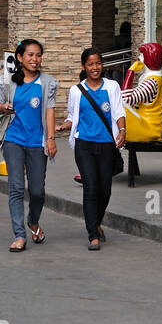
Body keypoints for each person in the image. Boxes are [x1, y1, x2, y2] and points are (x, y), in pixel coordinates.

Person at [56, 48, 125, 251]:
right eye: (90, 64)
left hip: (106, 145)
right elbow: (72, 116)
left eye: (98, 63)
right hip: (84, 145)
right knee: (91, 188)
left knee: (105, 190)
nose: (95, 68)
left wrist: (122, 131)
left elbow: (119, 111)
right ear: (84, 67)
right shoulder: (77, 91)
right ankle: (92, 234)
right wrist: (64, 126)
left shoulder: (112, 87)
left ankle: (95, 222)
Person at [0, 38, 58, 254]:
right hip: (14, 139)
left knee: (38, 191)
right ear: (20, 58)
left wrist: (50, 139)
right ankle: (19, 235)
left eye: (38, 55)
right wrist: (4, 107)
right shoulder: (8, 80)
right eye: (30, 55)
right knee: (17, 187)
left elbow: (49, 110)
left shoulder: (47, 82)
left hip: (37, 142)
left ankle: (33, 221)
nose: (35, 59)